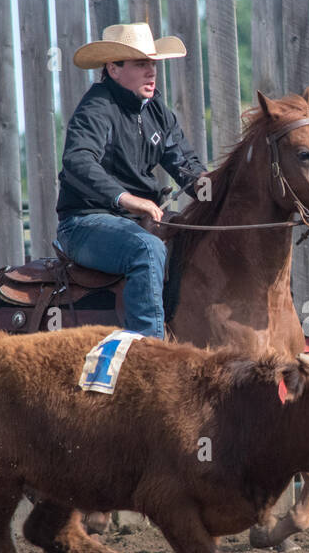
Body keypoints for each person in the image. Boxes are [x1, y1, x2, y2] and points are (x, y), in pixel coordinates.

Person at [55, 23, 207, 338]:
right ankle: (149, 355)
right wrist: (128, 199)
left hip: (136, 220)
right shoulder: (96, 108)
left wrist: (214, 189)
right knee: (146, 250)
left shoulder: (157, 112)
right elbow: (78, 161)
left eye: (153, 63)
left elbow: (185, 165)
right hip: (84, 223)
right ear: (113, 68)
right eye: (141, 64)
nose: (152, 72)